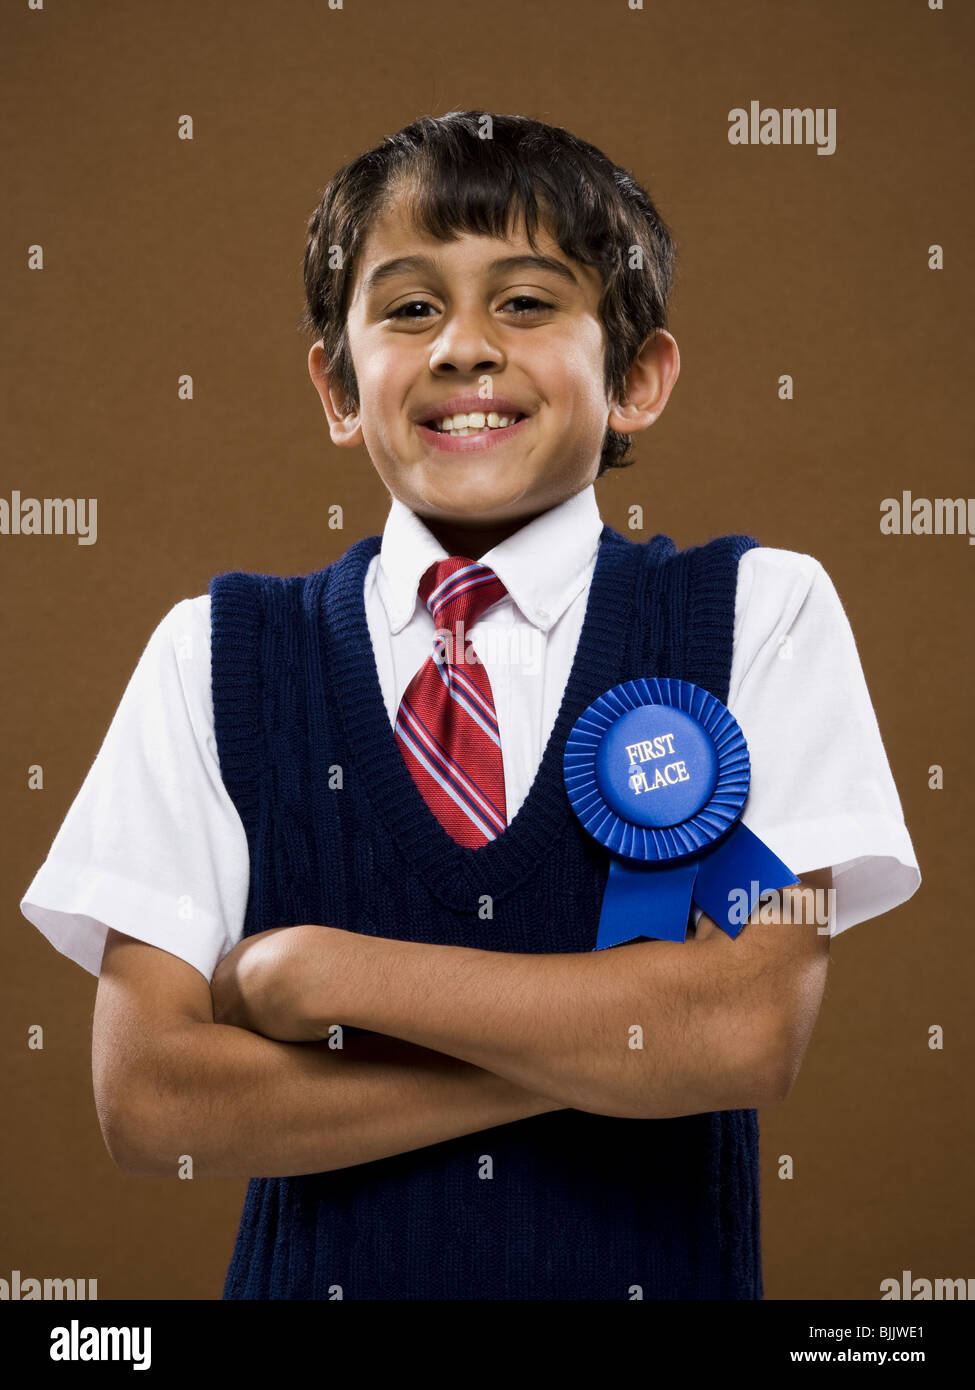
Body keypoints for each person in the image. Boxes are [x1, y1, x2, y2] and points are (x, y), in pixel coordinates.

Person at [20, 110, 920, 1300]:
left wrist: (325, 976)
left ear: (638, 377)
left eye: (528, 302)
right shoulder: (216, 655)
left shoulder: (759, 615)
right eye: (407, 308)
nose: (462, 347)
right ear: (339, 388)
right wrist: (618, 1054)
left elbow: (743, 1029)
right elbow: (151, 1100)